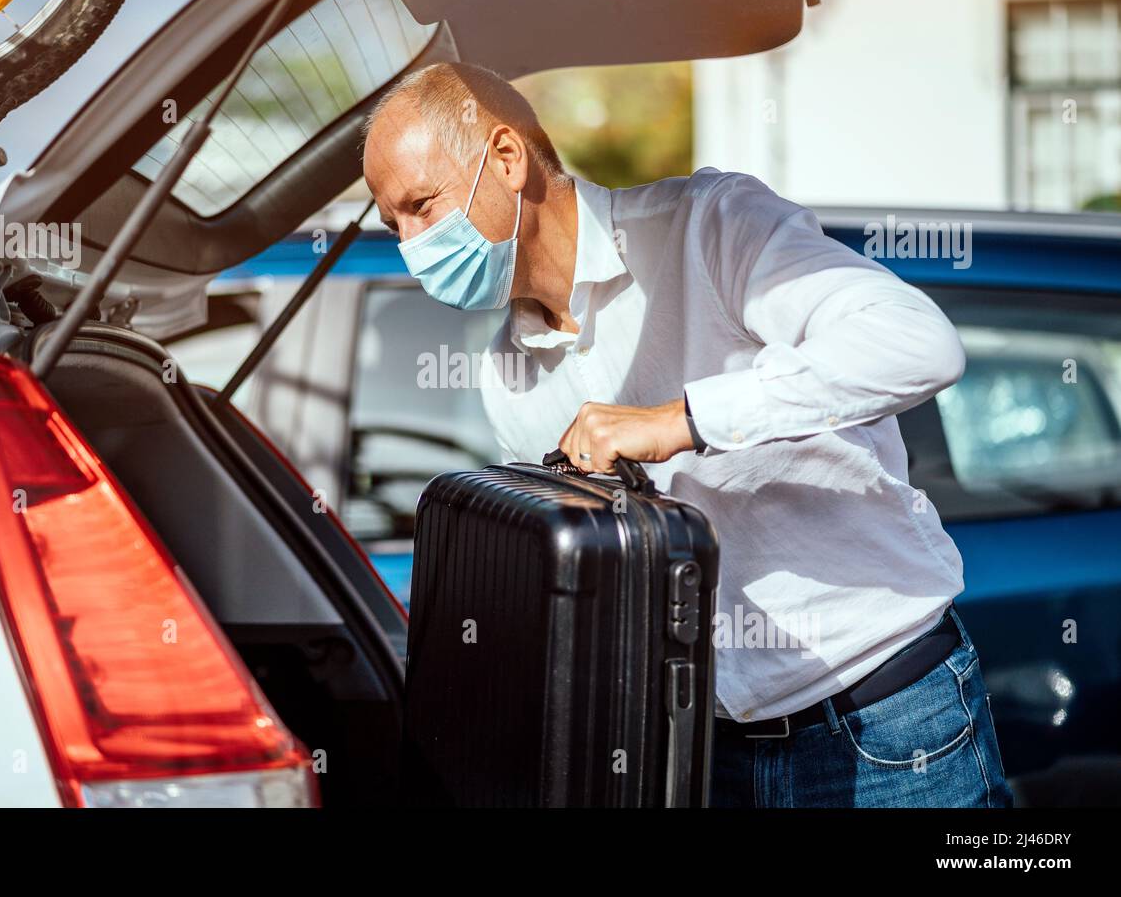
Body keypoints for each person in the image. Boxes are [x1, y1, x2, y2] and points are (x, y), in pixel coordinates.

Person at [362, 61, 1012, 808]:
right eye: (394, 225)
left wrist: (681, 421)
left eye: (421, 205)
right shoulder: (507, 374)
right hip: (707, 757)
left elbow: (917, 343)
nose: (412, 247)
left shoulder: (711, 225)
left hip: (892, 726)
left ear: (506, 159)